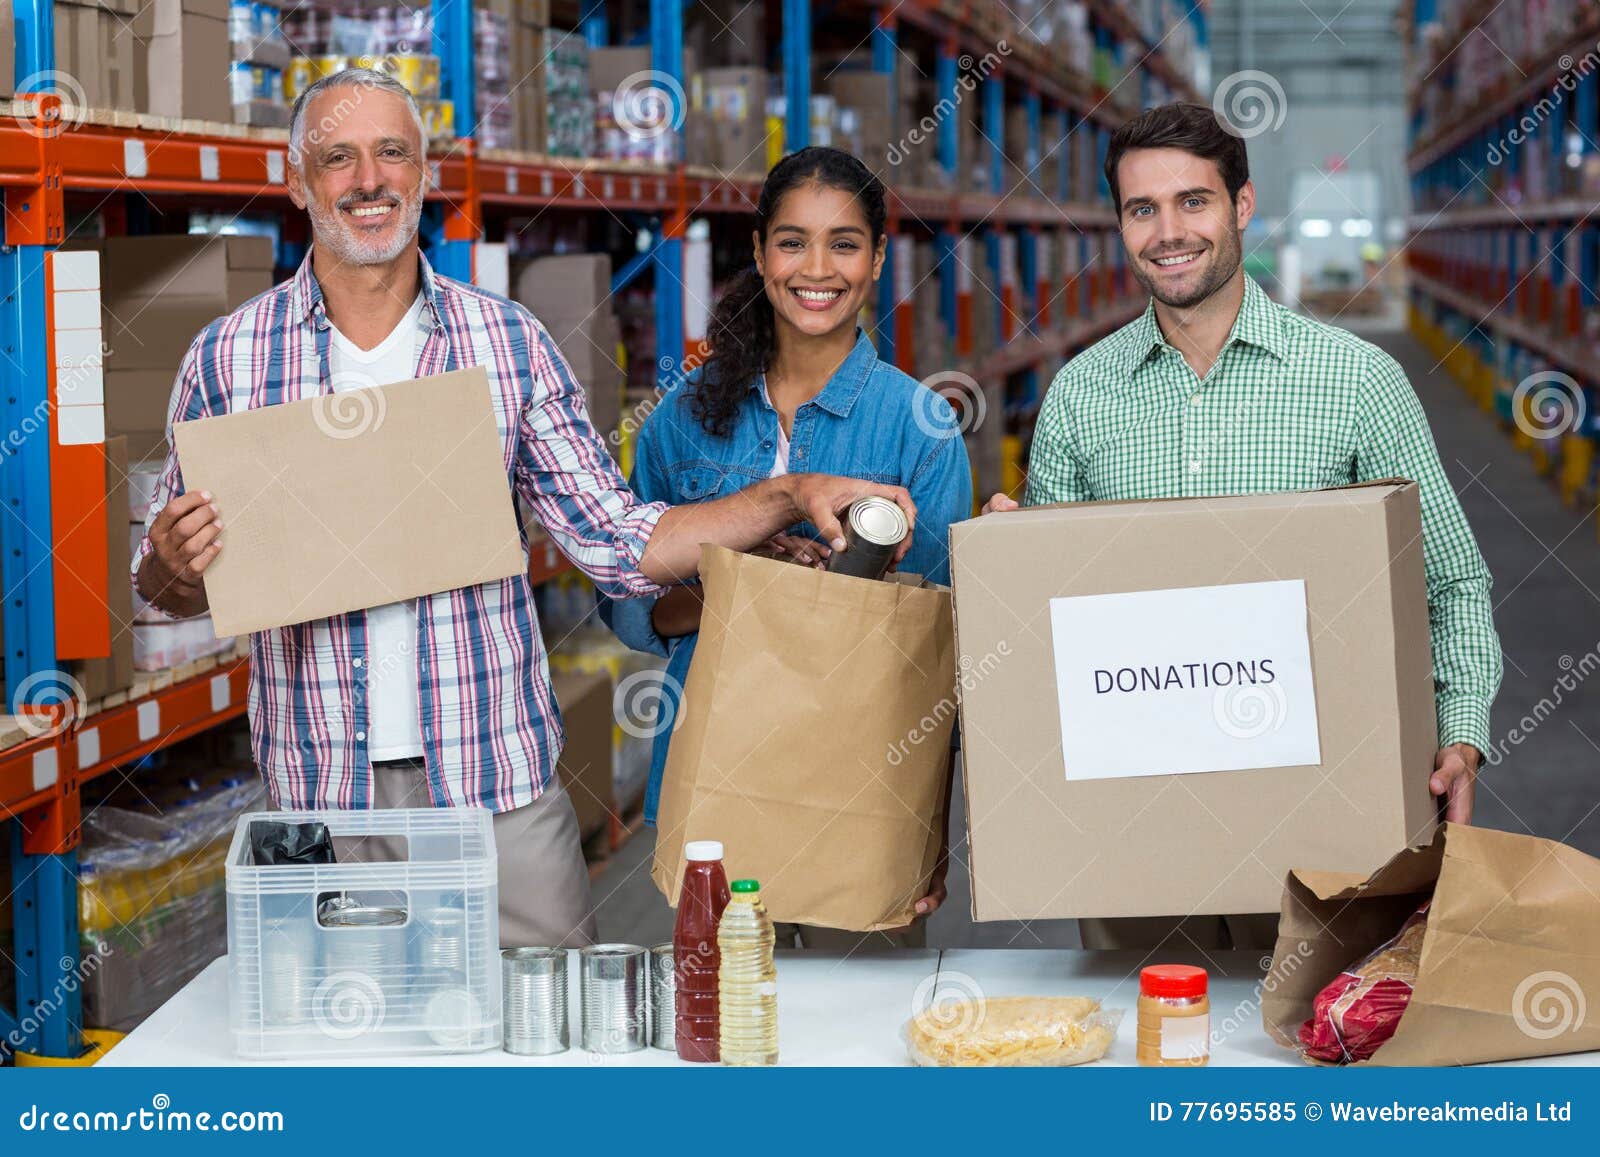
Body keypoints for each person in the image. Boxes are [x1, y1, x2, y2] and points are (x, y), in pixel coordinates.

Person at [133, 70, 918, 951]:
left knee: (551, 1059)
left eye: (393, 152)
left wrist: (788, 492)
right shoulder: (229, 360)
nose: (369, 179)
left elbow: (623, 544)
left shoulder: (505, 345)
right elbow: (171, 593)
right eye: (337, 157)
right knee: (346, 1065)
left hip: (496, 788)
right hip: (323, 800)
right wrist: (172, 561)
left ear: (424, 171)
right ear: (296, 181)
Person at [983, 102, 1502, 951]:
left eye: (1193, 201)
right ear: (1119, 224)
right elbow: (1054, 628)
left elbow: (1450, 578)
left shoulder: (1356, 381)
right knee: (1139, 1045)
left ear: (1243, 207)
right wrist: (1008, 564)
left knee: (1317, 1049)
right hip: (1132, 824)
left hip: (1322, 816)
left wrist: (1463, 730)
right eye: (1141, 209)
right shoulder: (1081, 395)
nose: (1167, 231)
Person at [601, 146, 973, 949]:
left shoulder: (922, 429)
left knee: (855, 1045)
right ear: (762, 252)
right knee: (725, 1035)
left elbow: (940, 654)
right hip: (713, 771)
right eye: (793, 241)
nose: (818, 267)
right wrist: (747, 580)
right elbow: (630, 603)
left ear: (877, 259)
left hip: (863, 790)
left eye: (844, 243)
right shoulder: (680, 422)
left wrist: (928, 829)